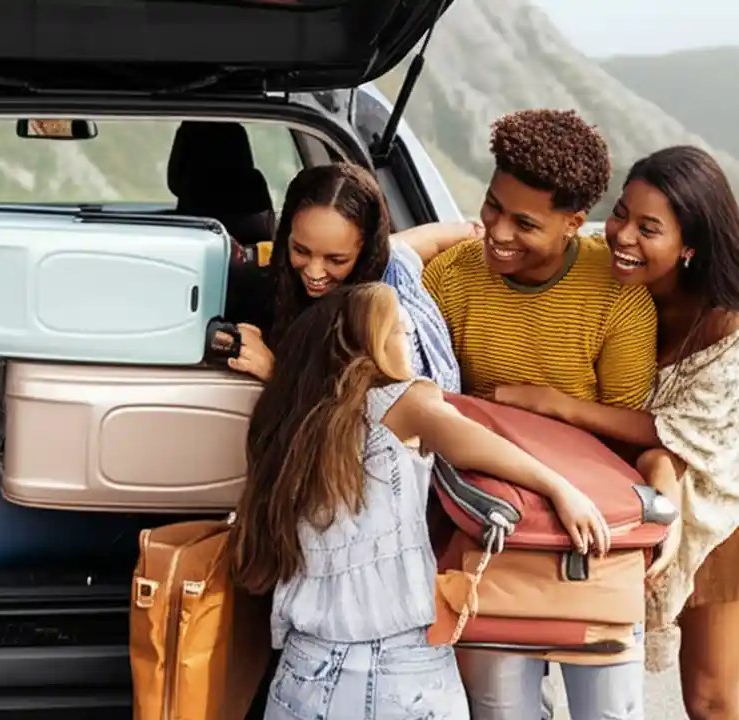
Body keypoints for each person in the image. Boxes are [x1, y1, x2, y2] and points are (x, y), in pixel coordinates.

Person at [495, 145, 739, 720]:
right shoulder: (606, 268)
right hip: (637, 494)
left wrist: (558, 406)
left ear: (689, 246)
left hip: (725, 508)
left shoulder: (729, 326)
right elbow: (516, 233)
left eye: (648, 229)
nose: (622, 235)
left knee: (712, 700)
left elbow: (673, 431)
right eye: (620, 214)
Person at [229, 282, 610, 720]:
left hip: (302, 671)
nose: (410, 340)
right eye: (401, 331)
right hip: (397, 669)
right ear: (369, 345)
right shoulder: (401, 401)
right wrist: (559, 486)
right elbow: (468, 442)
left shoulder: (291, 424)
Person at [420, 107, 658, 720]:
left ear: (575, 224)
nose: (496, 230)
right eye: (493, 206)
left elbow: (628, 433)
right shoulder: (452, 276)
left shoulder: (616, 295)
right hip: (495, 532)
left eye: (524, 222)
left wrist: (544, 406)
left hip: (595, 538)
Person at [225, 162, 476, 392]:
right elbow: (425, 240)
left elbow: (370, 419)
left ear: (365, 251)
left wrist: (274, 372)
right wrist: (471, 231)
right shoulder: (390, 253)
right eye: (301, 250)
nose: (314, 272)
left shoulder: (389, 325)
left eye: (336, 260)